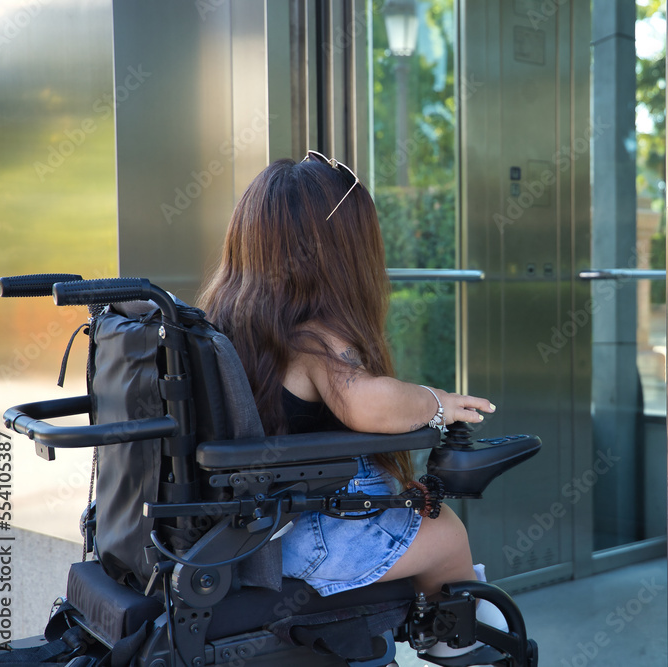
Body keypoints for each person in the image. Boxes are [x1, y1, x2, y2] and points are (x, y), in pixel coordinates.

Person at [198, 153, 505, 652]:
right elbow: (369, 405)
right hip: (301, 538)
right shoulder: (313, 337)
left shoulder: (227, 317)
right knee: (446, 536)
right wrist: (436, 402)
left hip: (250, 531)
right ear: (342, 253)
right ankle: (455, 646)